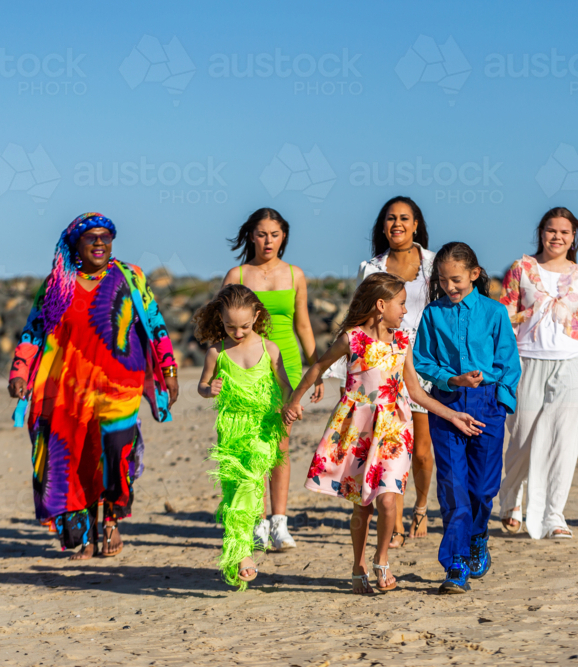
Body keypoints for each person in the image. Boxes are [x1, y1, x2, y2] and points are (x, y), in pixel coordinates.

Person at [284, 273, 485, 595]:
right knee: (362, 505)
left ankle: (382, 559)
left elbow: (417, 393)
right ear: (381, 305)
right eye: (401, 304)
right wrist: (294, 400)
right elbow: (319, 367)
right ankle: (358, 564)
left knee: (389, 502)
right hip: (358, 430)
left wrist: (453, 415)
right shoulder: (352, 339)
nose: (405, 311)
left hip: (393, 429)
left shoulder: (403, 341)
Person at [8, 213, 179, 559]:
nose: (100, 243)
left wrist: (168, 369)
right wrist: (20, 371)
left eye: (106, 237)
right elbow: (33, 330)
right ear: (76, 244)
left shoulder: (130, 277)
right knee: (74, 460)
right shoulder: (57, 283)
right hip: (66, 390)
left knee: (116, 453)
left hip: (120, 386)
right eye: (91, 237)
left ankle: (113, 519)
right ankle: (84, 535)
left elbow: (155, 321)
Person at [324, 196, 437, 546]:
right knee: (389, 445)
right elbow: (358, 318)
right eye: (390, 218)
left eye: (405, 218)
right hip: (382, 366)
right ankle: (397, 520)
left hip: (425, 361)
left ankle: (421, 505)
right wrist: (345, 376)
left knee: (421, 450)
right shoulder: (371, 267)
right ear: (382, 225)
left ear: (417, 224)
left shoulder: (433, 264)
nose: (397, 224)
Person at [413, 242, 521, 594]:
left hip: (487, 406)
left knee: (482, 489)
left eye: (456, 280)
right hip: (446, 406)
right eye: (443, 281)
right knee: (454, 487)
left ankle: (478, 537)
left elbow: (509, 365)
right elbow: (421, 361)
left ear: (474, 274)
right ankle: (456, 563)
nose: (449, 287)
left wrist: (499, 404)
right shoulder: (432, 314)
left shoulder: (495, 313)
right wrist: (451, 380)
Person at [497, 207, 578, 540]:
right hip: (526, 362)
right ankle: (512, 500)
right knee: (521, 438)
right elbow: (503, 317)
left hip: (571, 363)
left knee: (564, 442)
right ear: (541, 233)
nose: (557, 237)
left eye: (564, 232)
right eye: (551, 230)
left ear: (574, 237)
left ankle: (553, 516)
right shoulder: (522, 269)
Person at [223, 208, 323, 551]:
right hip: (248, 368)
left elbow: (304, 325)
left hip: (288, 368)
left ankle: (280, 523)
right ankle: (257, 522)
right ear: (251, 235)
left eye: (275, 234)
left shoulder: (295, 274)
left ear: (284, 237)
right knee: (252, 448)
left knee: (279, 447)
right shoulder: (237, 273)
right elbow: (220, 327)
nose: (268, 241)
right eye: (262, 234)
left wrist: (316, 369)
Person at [194, 285, 291, 590]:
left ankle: (244, 553)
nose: (238, 333)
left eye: (245, 326)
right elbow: (202, 384)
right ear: (219, 320)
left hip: (263, 426)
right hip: (232, 430)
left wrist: (291, 405)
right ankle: (240, 551)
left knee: (250, 483)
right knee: (236, 492)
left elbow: (285, 385)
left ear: (257, 317)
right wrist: (208, 390)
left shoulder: (269, 349)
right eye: (230, 326)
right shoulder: (217, 352)